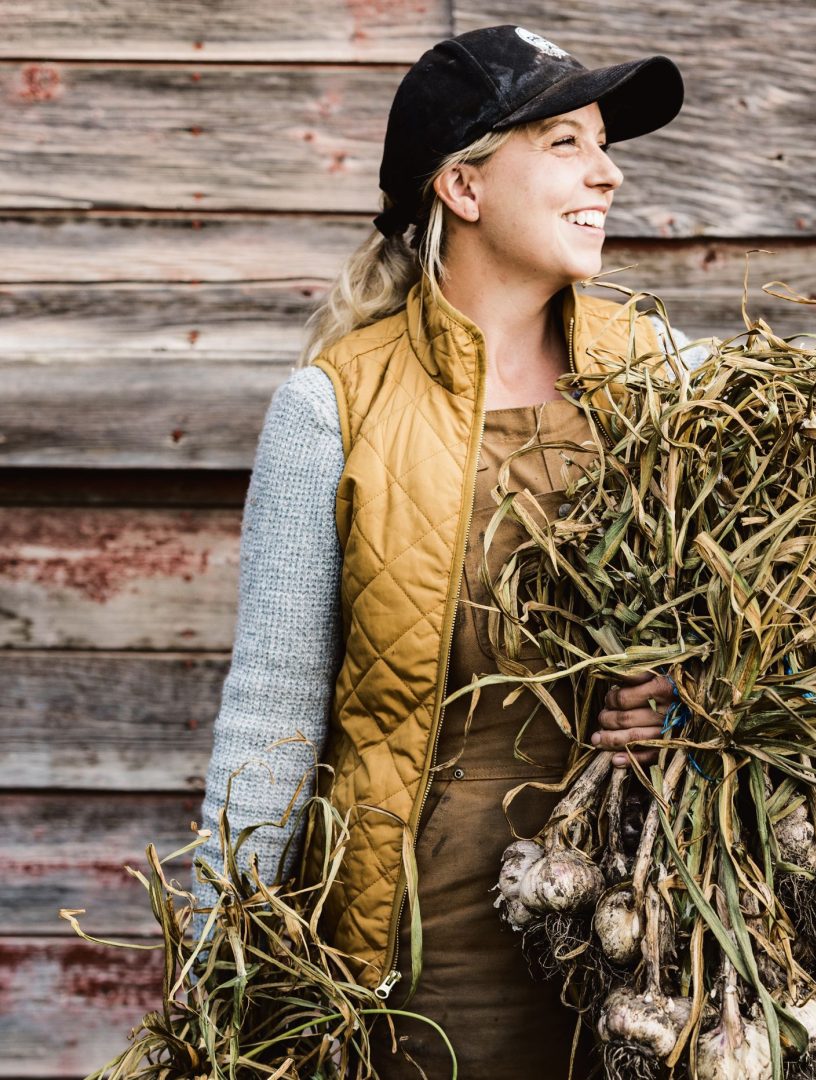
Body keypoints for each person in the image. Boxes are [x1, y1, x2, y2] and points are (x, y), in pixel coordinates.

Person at [193, 24, 706, 1078]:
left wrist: (691, 699)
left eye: (603, 142)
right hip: (433, 958)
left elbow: (785, 630)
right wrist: (212, 971)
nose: (607, 172)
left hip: (655, 937)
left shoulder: (670, 378)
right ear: (463, 189)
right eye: (565, 141)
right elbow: (271, 720)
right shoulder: (331, 409)